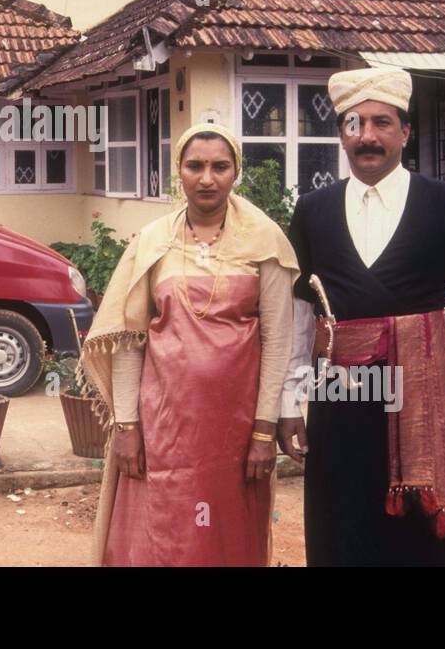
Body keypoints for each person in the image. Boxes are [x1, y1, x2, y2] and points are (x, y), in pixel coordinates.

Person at [276, 65, 445, 566]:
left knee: (424, 535)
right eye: (354, 124)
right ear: (341, 135)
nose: (368, 136)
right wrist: (289, 399)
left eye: (382, 122)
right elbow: (298, 311)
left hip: (424, 395)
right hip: (339, 394)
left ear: (405, 131)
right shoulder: (313, 210)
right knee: (343, 520)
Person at [78, 122, 300, 566]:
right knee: (158, 539)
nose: (207, 178)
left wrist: (263, 431)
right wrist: (126, 427)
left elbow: (279, 342)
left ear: (236, 172)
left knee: (225, 539)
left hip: (235, 434)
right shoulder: (152, 241)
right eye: (195, 166)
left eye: (220, 166)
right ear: (178, 171)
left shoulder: (266, 239)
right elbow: (129, 340)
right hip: (161, 426)